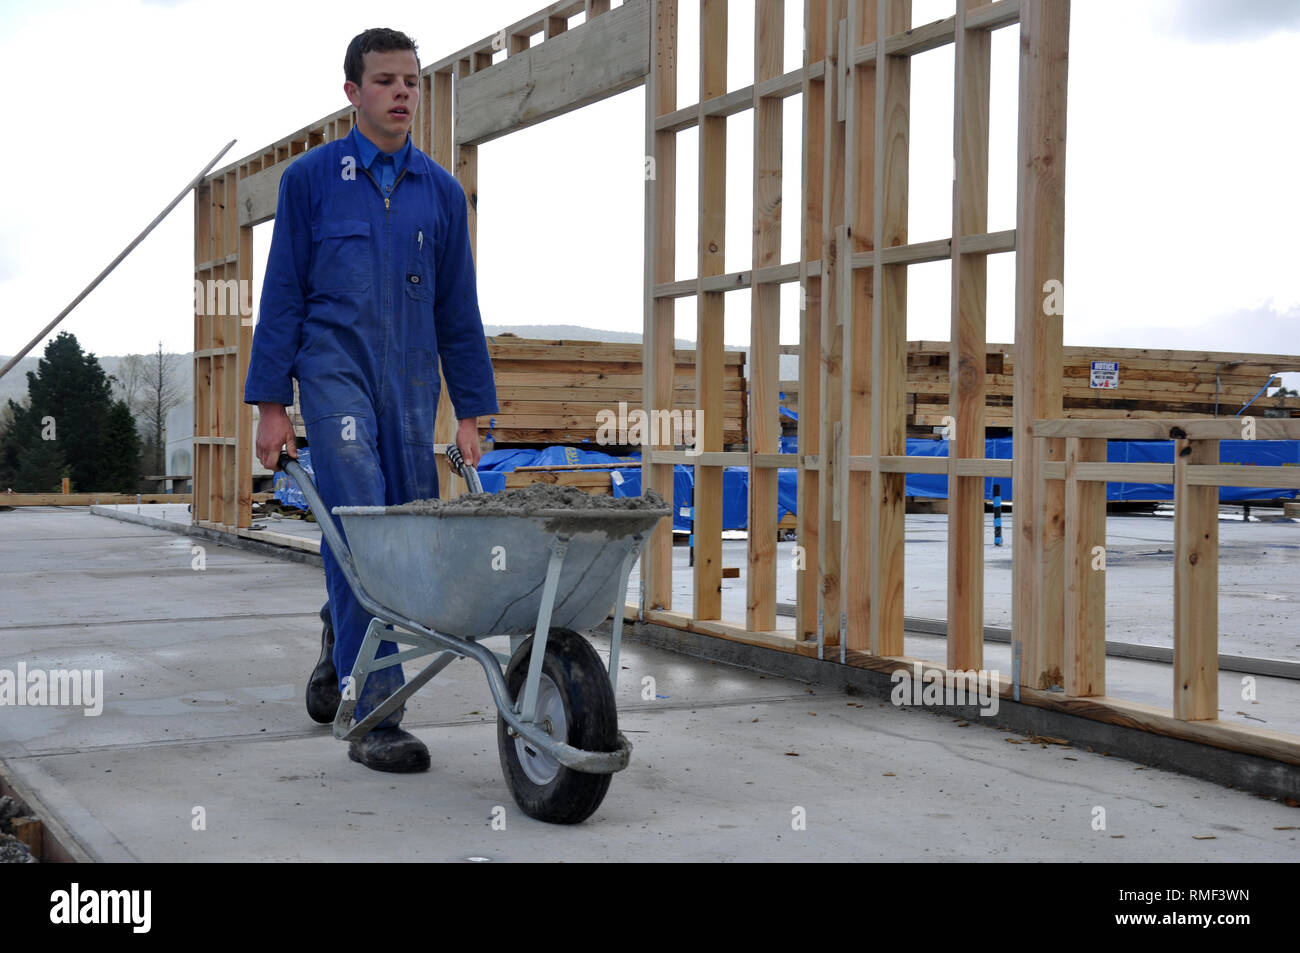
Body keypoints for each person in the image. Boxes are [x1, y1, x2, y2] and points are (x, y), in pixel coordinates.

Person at [244, 27, 498, 773]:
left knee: (404, 525)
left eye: (412, 81)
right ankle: (375, 712)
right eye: (385, 80)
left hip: (411, 381)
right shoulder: (312, 181)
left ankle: (339, 631)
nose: (402, 93)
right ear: (352, 92)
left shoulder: (440, 193)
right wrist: (270, 403)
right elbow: (283, 293)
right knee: (362, 520)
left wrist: (472, 412)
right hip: (333, 372)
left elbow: (459, 309)